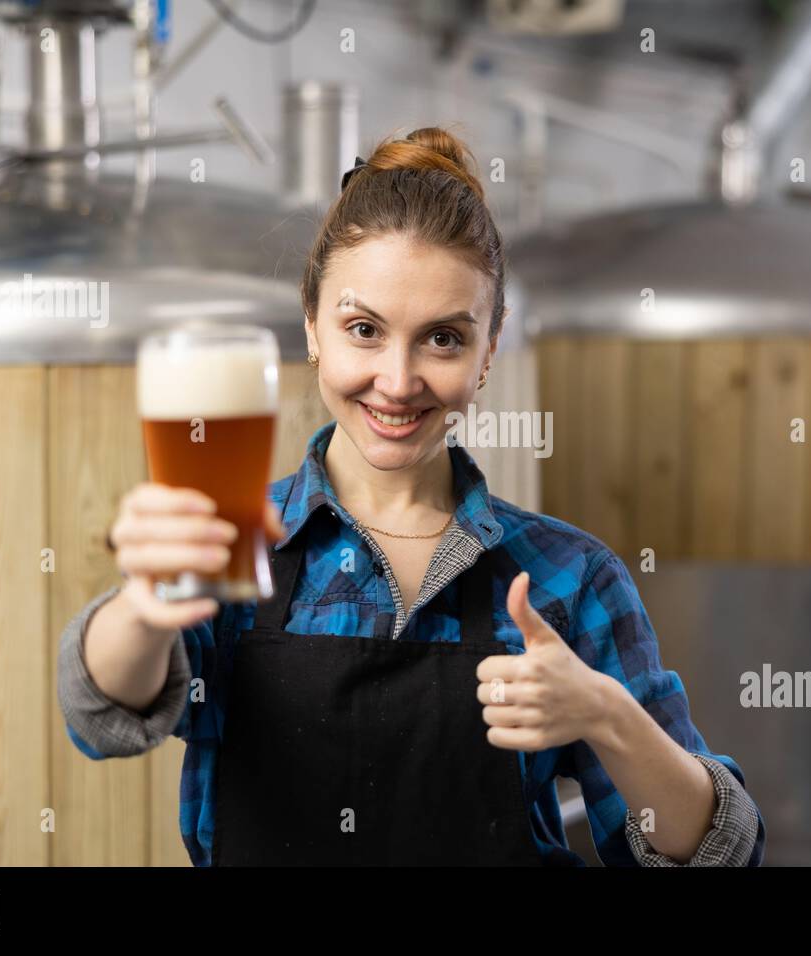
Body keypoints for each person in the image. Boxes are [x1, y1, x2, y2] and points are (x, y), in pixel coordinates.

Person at [57, 126, 766, 867]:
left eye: (443, 340)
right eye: (364, 329)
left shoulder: (569, 577)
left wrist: (609, 715)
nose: (397, 381)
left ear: (489, 348)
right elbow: (103, 716)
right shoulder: (238, 542)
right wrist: (143, 604)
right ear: (312, 327)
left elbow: (719, 858)